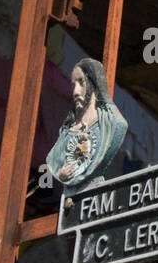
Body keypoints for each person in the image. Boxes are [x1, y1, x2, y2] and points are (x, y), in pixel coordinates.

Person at [46, 57, 128, 187]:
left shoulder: (109, 122)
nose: (75, 92)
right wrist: (60, 173)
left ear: (94, 85)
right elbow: (54, 161)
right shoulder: (68, 130)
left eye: (81, 83)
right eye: (73, 85)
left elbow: (121, 124)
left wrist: (105, 96)